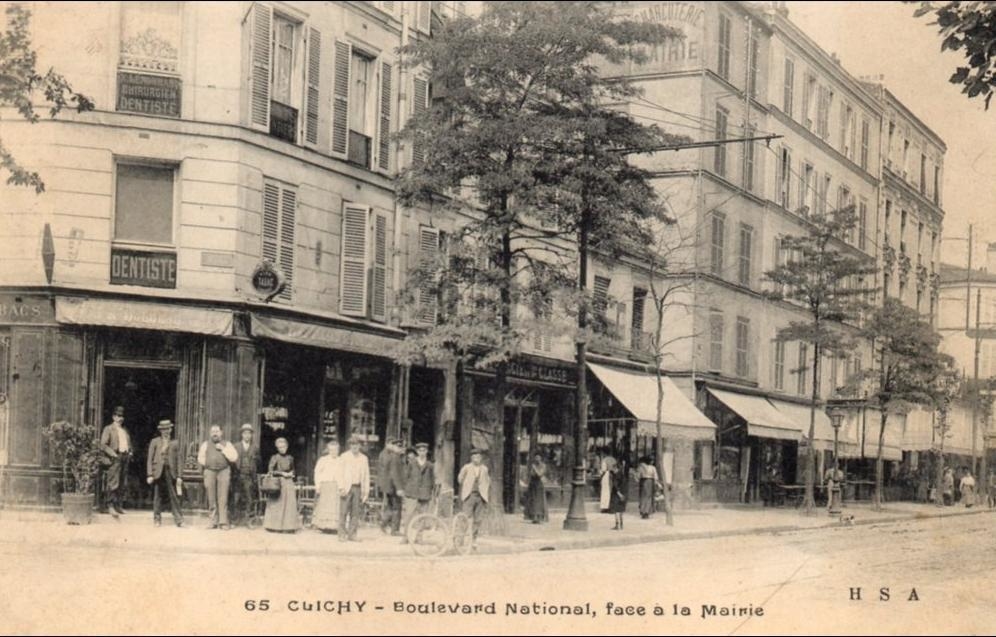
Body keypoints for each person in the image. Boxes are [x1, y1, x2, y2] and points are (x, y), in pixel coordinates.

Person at [197, 425, 238, 530]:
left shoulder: (227, 444)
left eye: (217, 431)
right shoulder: (205, 444)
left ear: (221, 433)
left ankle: (223, 522)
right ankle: (213, 521)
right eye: (212, 432)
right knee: (211, 497)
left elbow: (234, 457)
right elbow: (200, 458)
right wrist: (208, 464)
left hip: (223, 471)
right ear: (210, 434)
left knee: (223, 497)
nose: (215, 433)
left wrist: (223, 449)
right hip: (210, 471)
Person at [146, 420, 184, 528]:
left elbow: (179, 460)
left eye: (168, 429)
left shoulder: (175, 443)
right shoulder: (155, 442)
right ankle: (157, 519)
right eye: (163, 429)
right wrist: (149, 474)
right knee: (157, 496)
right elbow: (150, 459)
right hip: (158, 471)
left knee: (174, 496)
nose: (166, 431)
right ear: (160, 430)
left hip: (170, 472)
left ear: (171, 429)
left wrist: (180, 476)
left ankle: (179, 520)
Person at [99, 405, 132, 517]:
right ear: (113, 417)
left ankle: (118, 505)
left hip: (124, 457)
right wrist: (113, 455)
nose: (120, 418)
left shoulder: (124, 431)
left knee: (122, 482)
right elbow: (103, 445)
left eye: (122, 416)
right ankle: (110, 506)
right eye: (118, 416)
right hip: (115, 458)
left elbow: (128, 444)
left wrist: (130, 452)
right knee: (113, 482)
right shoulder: (109, 429)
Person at [263, 437, 300, 532]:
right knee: (277, 503)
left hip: (289, 483)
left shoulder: (290, 458)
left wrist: (292, 473)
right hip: (278, 483)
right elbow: (270, 470)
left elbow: (293, 469)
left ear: (287, 447)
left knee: (289, 505)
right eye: (280, 447)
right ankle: (274, 526)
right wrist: (282, 473)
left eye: (283, 447)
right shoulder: (274, 457)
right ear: (277, 448)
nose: (282, 449)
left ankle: (288, 527)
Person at [338, 436, 370, 542]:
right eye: (352, 444)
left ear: (360, 446)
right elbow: (340, 473)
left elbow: (366, 475)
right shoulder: (344, 456)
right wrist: (341, 487)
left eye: (356, 444)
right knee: (343, 511)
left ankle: (352, 534)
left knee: (355, 513)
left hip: (358, 487)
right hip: (347, 487)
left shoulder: (364, 458)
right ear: (350, 445)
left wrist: (366, 491)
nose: (354, 446)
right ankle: (342, 534)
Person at [458, 448, 491, 549]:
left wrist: (484, 490)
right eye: (474, 457)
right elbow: (460, 479)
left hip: (480, 497)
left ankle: (474, 540)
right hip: (469, 495)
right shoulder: (467, 467)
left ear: (481, 458)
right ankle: (461, 539)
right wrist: (467, 486)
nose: (476, 459)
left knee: (478, 520)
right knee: (465, 517)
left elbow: (488, 480)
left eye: (478, 457)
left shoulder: (484, 469)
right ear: (471, 458)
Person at [402, 442, 435, 542]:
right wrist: (406, 489)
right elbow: (406, 476)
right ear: (417, 452)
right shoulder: (412, 463)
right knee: (409, 515)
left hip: (424, 494)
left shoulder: (430, 465)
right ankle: (406, 537)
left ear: (426, 452)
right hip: (412, 493)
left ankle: (419, 537)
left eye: (424, 450)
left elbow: (432, 479)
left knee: (422, 516)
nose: (422, 452)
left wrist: (430, 492)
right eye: (420, 450)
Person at [232, 423, 260, 528]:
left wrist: (254, 473)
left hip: (249, 477)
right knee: (236, 499)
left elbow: (258, 463)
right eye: (245, 433)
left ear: (251, 435)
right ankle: (235, 521)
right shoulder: (236, 446)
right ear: (242, 435)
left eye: (249, 433)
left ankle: (249, 521)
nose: (247, 435)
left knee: (249, 499)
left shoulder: (255, 447)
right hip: (238, 476)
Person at [312, 439, 342, 533]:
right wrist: (318, 485)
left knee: (335, 506)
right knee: (323, 506)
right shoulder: (323, 460)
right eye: (332, 450)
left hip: (336, 485)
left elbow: (343, 474)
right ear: (328, 450)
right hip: (325, 485)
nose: (334, 452)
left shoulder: (341, 460)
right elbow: (317, 473)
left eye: (336, 450)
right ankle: (321, 526)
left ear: (338, 450)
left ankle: (334, 527)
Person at [377, 439, 406, 536]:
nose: (400, 448)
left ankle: (383, 523)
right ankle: (395, 530)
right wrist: (399, 488)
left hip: (390, 486)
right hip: (394, 487)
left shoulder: (395, 456)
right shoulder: (395, 457)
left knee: (390, 506)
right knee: (397, 507)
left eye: (400, 447)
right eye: (398, 447)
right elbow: (395, 474)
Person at [524, 452, 549, 524]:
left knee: (539, 501)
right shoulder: (533, 465)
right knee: (533, 500)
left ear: (541, 458)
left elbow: (540, 474)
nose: (537, 459)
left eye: (538, 457)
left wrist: (534, 469)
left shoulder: (543, 466)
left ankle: (539, 517)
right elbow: (532, 474)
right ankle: (533, 516)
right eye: (536, 457)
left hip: (539, 485)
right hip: (533, 484)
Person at [609, 459, 628, 530]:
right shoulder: (622, 475)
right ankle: (621, 524)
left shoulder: (616, 476)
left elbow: (615, 486)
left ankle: (617, 525)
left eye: (613, 469)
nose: (612, 470)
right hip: (623, 493)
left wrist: (619, 494)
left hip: (617, 494)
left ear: (615, 468)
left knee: (616, 510)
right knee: (621, 510)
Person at [598, 449, 617, 513]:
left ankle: (604, 507)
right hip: (612, 475)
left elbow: (603, 469)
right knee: (610, 491)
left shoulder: (604, 460)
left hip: (606, 475)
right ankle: (610, 506)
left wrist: (600, 475)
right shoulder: (613, 459)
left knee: (605, 491)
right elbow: (616, 469)